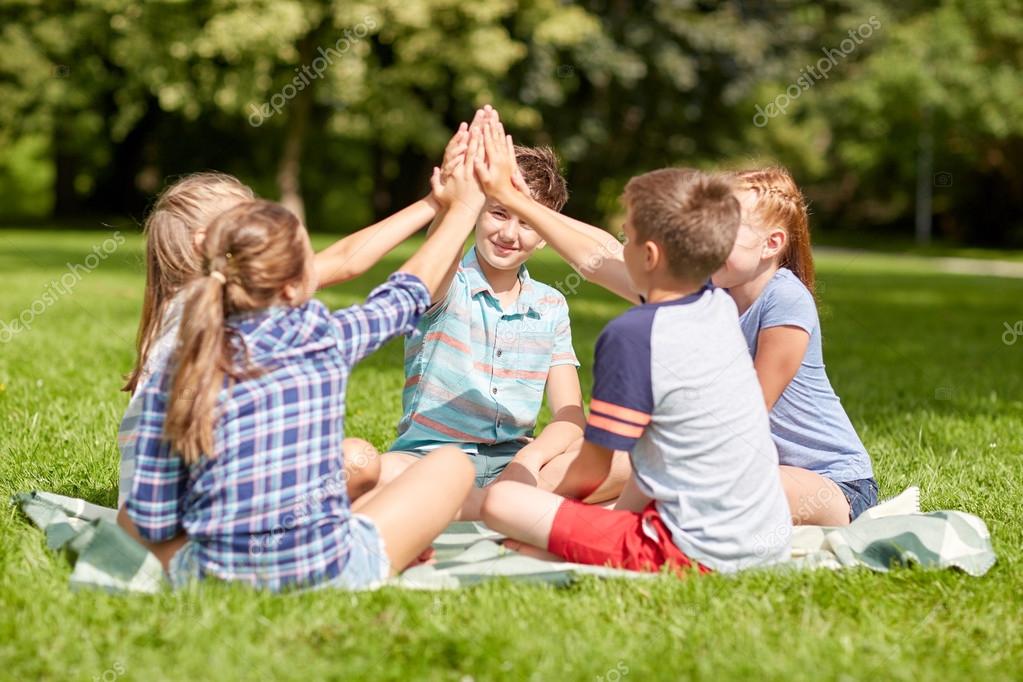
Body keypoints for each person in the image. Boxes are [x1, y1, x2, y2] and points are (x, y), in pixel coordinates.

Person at [117, 138, 487, 590]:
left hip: (207, 560)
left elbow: (148, 517)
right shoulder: (319, 339)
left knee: (358, 459)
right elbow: (402, 295)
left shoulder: (189, 342)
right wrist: (464, 207)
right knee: (449, 465)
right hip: (324, 567)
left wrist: (436, 202)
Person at [475, 124, 792, 573]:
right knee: (569, 514)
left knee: (505, 502)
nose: (617, 246)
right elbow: (593, 256)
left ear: (648, 256)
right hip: (765, 540)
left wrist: (535, 499)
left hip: (692, 554)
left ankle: (576, 540)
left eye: (625, 237)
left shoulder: (633, 336)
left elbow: (592, 470)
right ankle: (578, 539)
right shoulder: (714, 303)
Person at [117, 171, 446, 507]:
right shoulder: (228, 310)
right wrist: (451, 206)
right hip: (216, 514)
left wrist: (433, 202)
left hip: (150, 516)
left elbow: (344, 259)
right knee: (357, 459)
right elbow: (360, 277)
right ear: (205, 243)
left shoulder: (189, 305)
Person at [379, 108, 629, 515]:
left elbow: (569, 417)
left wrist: (525, 464)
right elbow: (435, 254)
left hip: (514, 465)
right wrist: (457, 193)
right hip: (429, 462)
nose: (509, 234)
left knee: (627, 460)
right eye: (497, 212)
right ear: (476, 212)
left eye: (527, 222)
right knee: (378, 472)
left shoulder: (550, 304)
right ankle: (500, 509)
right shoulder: (450, 283)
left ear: (545, 233)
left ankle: (482, 506)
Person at [711, 167, 877, 524]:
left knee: (698, 481)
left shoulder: (784, 297)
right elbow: (611, 261)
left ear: (771, 243)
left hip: (834, 483)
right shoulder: (712, 297)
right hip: (758, 466)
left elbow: (750, 408)